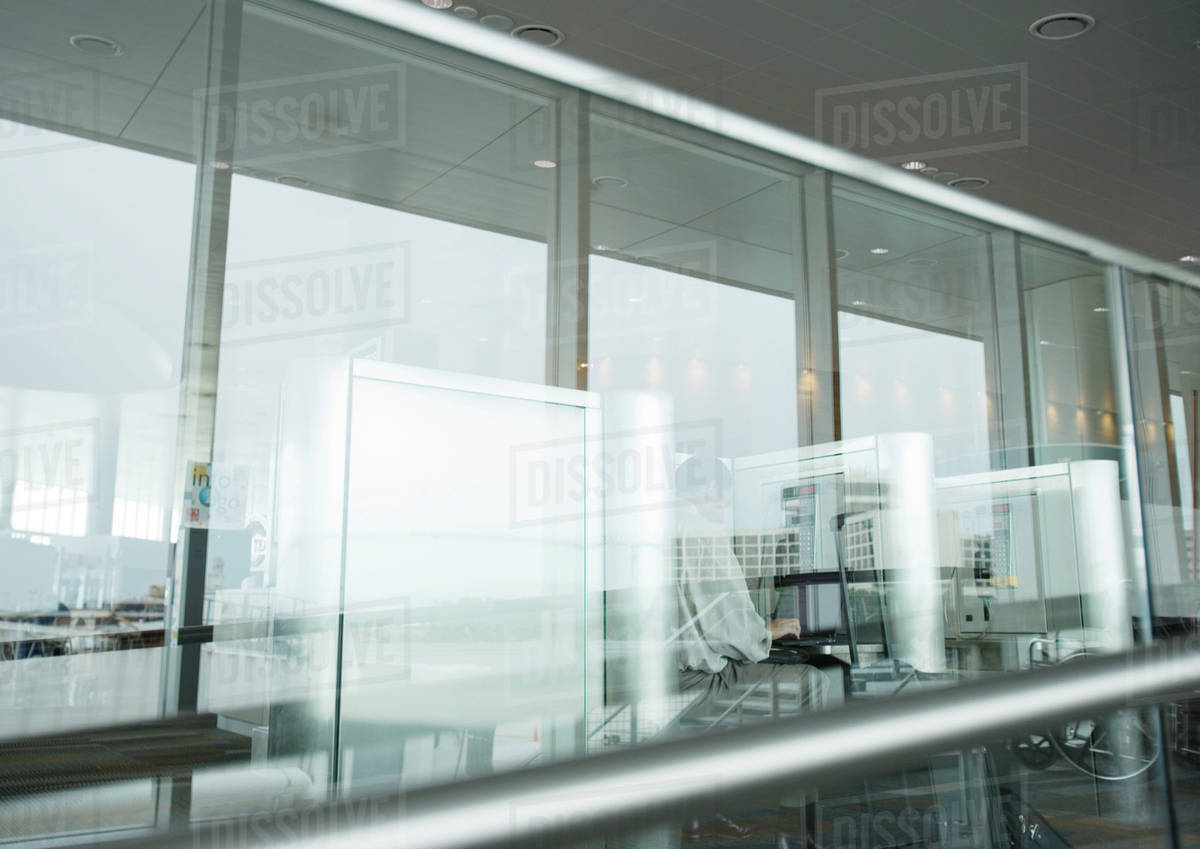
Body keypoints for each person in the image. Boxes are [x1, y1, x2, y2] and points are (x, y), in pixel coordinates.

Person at [672, 455, 828, 847]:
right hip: (695, 680)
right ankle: (793, 818)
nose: (723, 509)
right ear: (710, 490)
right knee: (811, 682)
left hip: (661, 673)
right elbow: (731, 628)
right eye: (724, 500)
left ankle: (710, 805)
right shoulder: (699, 533)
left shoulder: (654, 529)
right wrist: (766, 630)